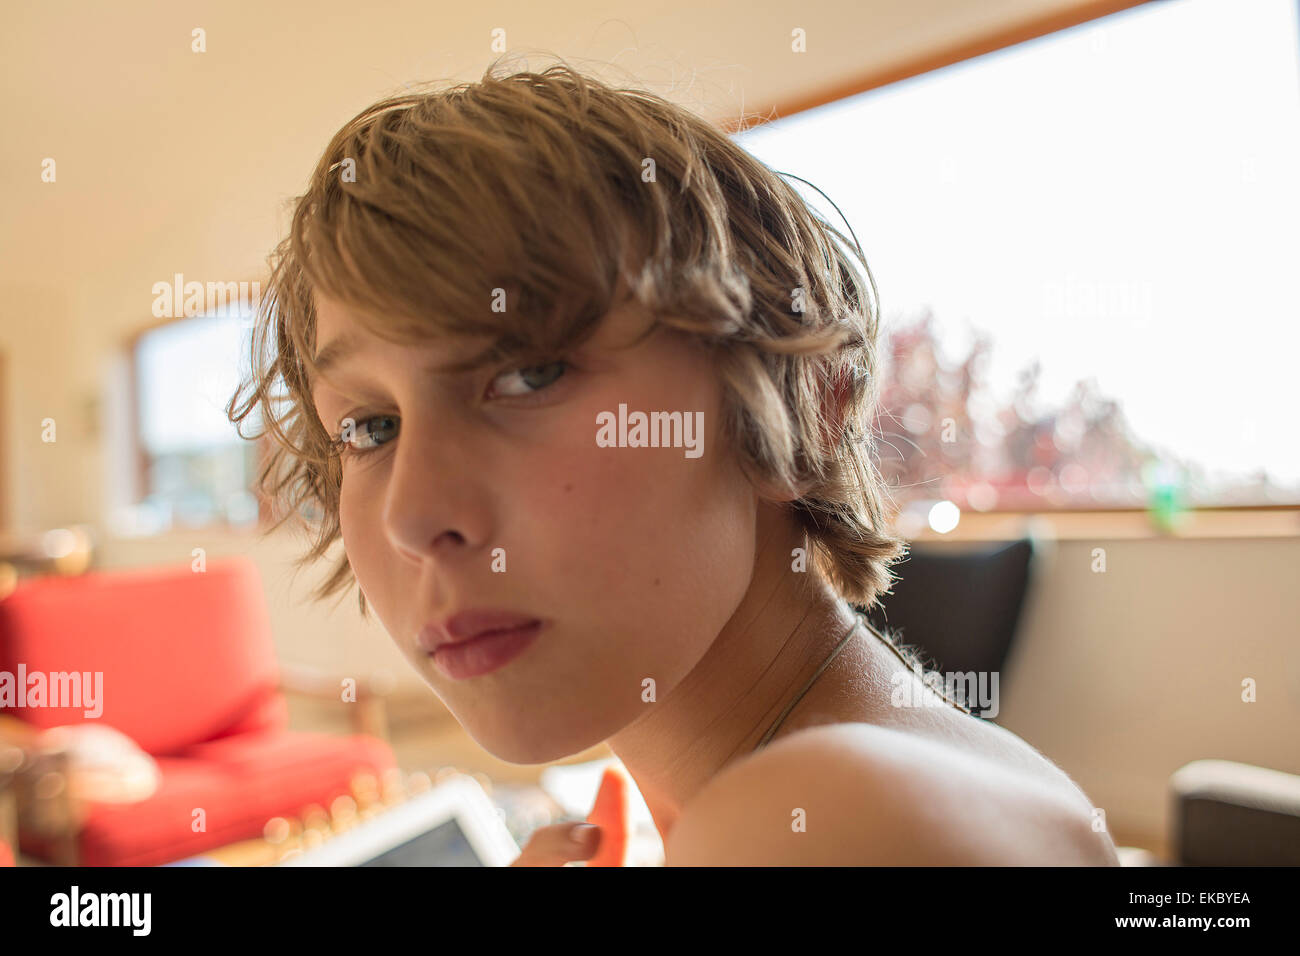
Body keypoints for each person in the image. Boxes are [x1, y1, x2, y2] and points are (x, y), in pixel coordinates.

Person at [230, 57, 1119, 866]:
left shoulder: (830, 821)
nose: (412, 518)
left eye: (529, 373)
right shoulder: (884, 770)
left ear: (803, 407)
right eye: (370, 429)